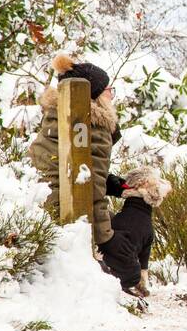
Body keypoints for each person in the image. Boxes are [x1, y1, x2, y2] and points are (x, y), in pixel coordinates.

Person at [27, 51, 121, 251]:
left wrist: (111, 183)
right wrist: (108, 241)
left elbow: (63, 168)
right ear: (95, 97)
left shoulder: (55, 118)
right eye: (108, 90)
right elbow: (90, 189)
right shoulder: (92, 127)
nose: (112, 95)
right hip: (68, 225)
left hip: (37, 216)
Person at [101, 167, 170, 297]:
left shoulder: (121, 217)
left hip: (106, 261)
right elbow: (143, 258)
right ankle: (132, 283)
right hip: (124, 273)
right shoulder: (145, 225)